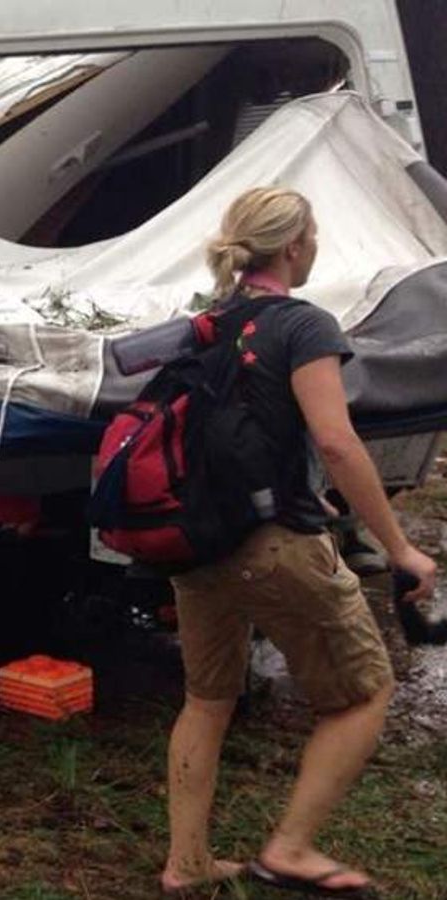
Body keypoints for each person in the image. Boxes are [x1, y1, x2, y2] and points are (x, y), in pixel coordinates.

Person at [160, 187, 437, 897]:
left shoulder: (205, 324)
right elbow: (337, 443)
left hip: (200, 544)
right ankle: (289, 849)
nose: (315, 247)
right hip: (276, 544)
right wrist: (400, 548)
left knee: (207, 699)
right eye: (312, 236)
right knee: (364, 694)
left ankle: (186, 863)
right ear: (292, 246)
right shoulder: (304, 325)